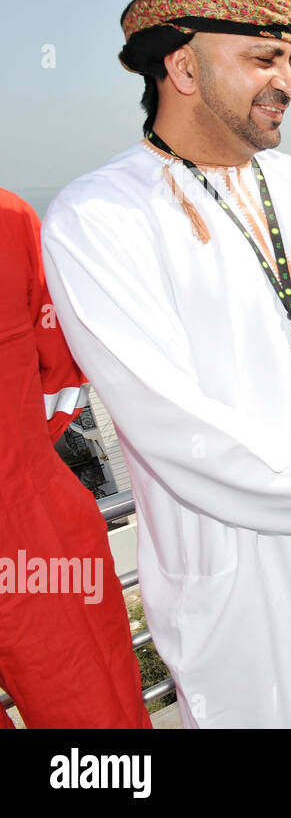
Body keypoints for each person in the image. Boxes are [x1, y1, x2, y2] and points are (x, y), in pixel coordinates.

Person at [40, 0, 291, 728]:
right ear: (182, 66)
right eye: (262, 59)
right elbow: (168, 421)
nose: (287, 81)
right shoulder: (97, 218)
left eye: (290, 59)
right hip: (245, 560)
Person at [0, 189, 152, 730]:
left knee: (93, 707)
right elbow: (58, 380)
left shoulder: (11, 220)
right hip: (27, 524)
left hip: (29, 518)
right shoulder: (11, 218)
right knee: (93, 709)